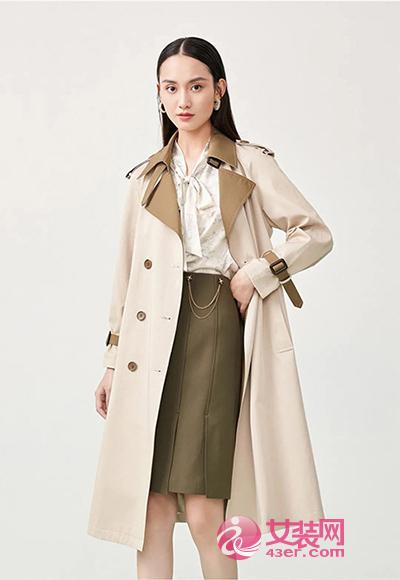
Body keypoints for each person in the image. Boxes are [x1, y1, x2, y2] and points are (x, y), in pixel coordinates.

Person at [89, 36, 333, 580]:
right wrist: (111, 363)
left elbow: (314, 233)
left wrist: (257, 273)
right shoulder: (145, 178)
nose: (184, 100)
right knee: (150, 508)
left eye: (196, 86)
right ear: (158, 94)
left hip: (215, 325)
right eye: (171, 88)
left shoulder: (249, 163)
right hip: (151, 340)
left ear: (219, 91)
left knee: (204, 510)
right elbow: (125, 281)